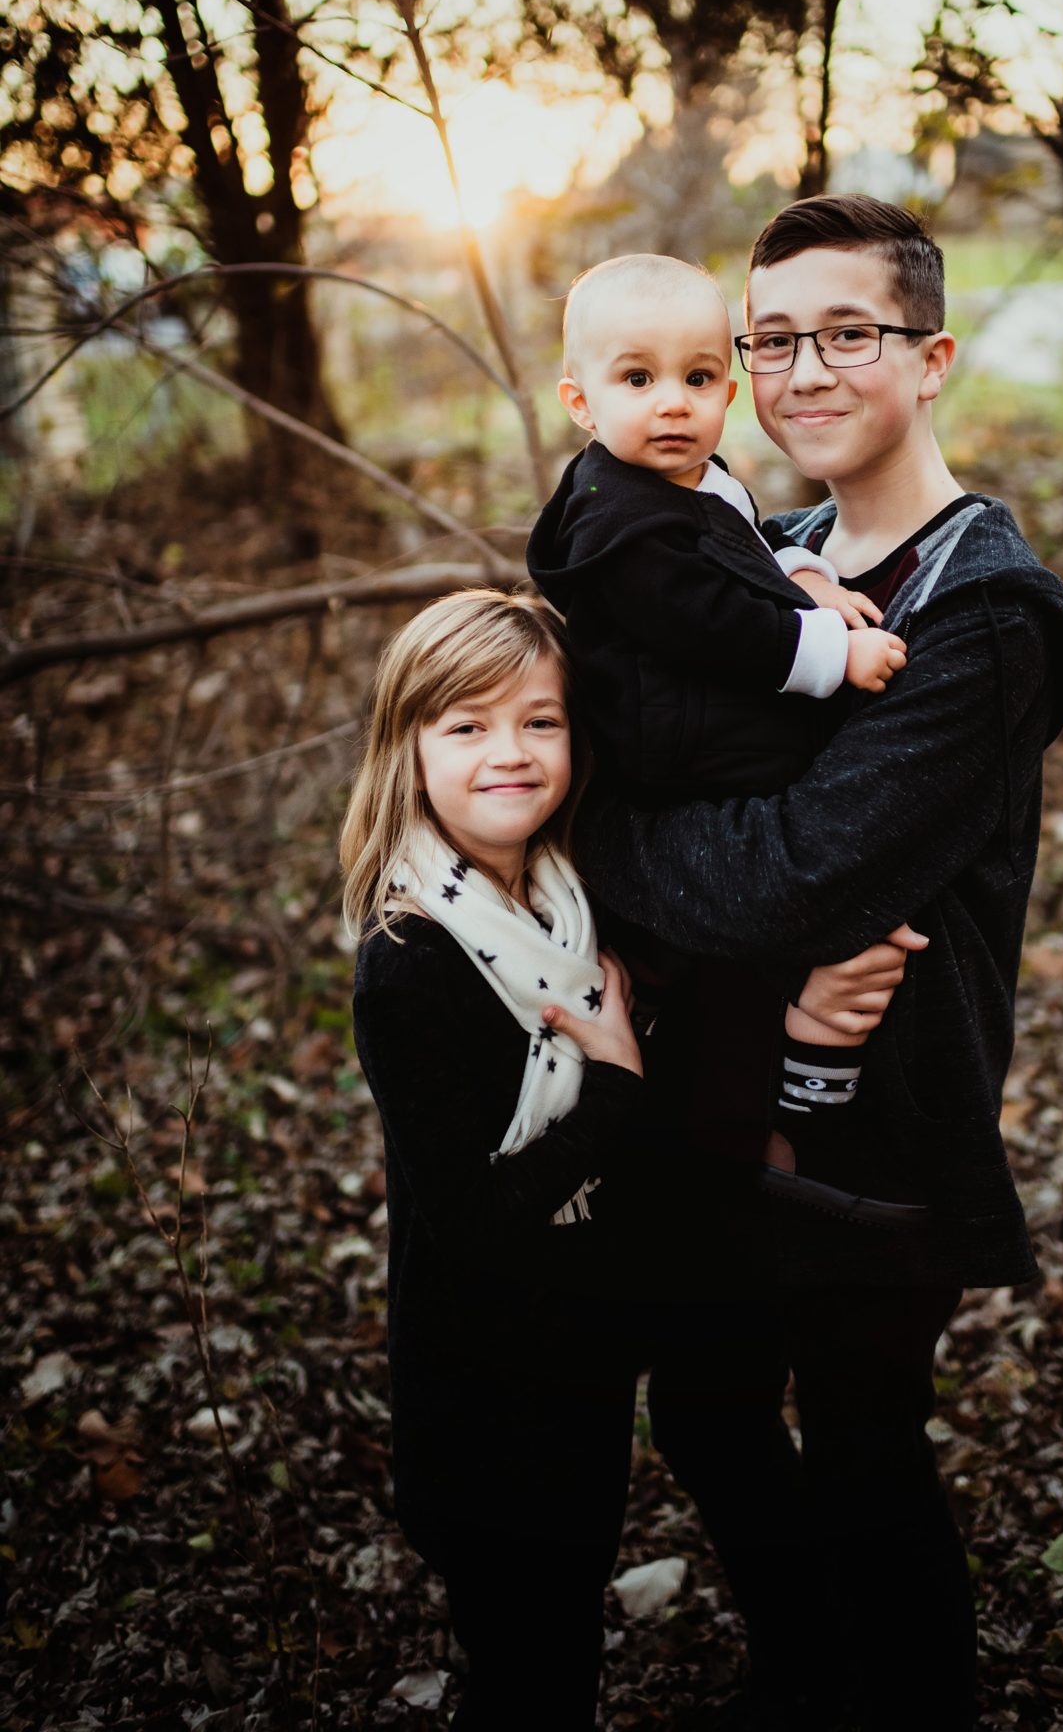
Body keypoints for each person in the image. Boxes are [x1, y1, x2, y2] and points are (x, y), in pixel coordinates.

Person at [572, 195, 1063, 1730]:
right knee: (714, 1411)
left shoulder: (983, 610)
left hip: (882, 1125)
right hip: (727, 1088)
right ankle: (806, 1673)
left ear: (927, 358)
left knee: (862, 1442)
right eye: (770, 339)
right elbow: (623, 748)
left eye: (844, 334)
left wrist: (585, 849)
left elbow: (794, 869)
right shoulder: (764, 545)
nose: (800, 369)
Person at [527, 251, 916, 1178]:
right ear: (580, 402)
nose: (672, 402)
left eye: (697, 379)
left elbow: (735, 545)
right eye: (638, 379)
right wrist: (832, 652)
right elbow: (717, 626)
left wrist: (801, 570)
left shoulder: (689, 476)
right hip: (680, 758)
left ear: (729, 389)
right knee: (734, 964)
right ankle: (773, 1104)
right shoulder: (621, 524)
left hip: (704, 732)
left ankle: (797, 1060)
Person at [339, 590, 648, 1731]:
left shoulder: (566, 895)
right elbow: (469, 1220)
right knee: (526, 1672)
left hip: (579, 1364)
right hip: (479, 1397)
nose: (508, 752)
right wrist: (612, 1089)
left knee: (565, 1641)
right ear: (407, 750)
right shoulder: (410, 958)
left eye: (538, 721)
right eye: (464, 726)